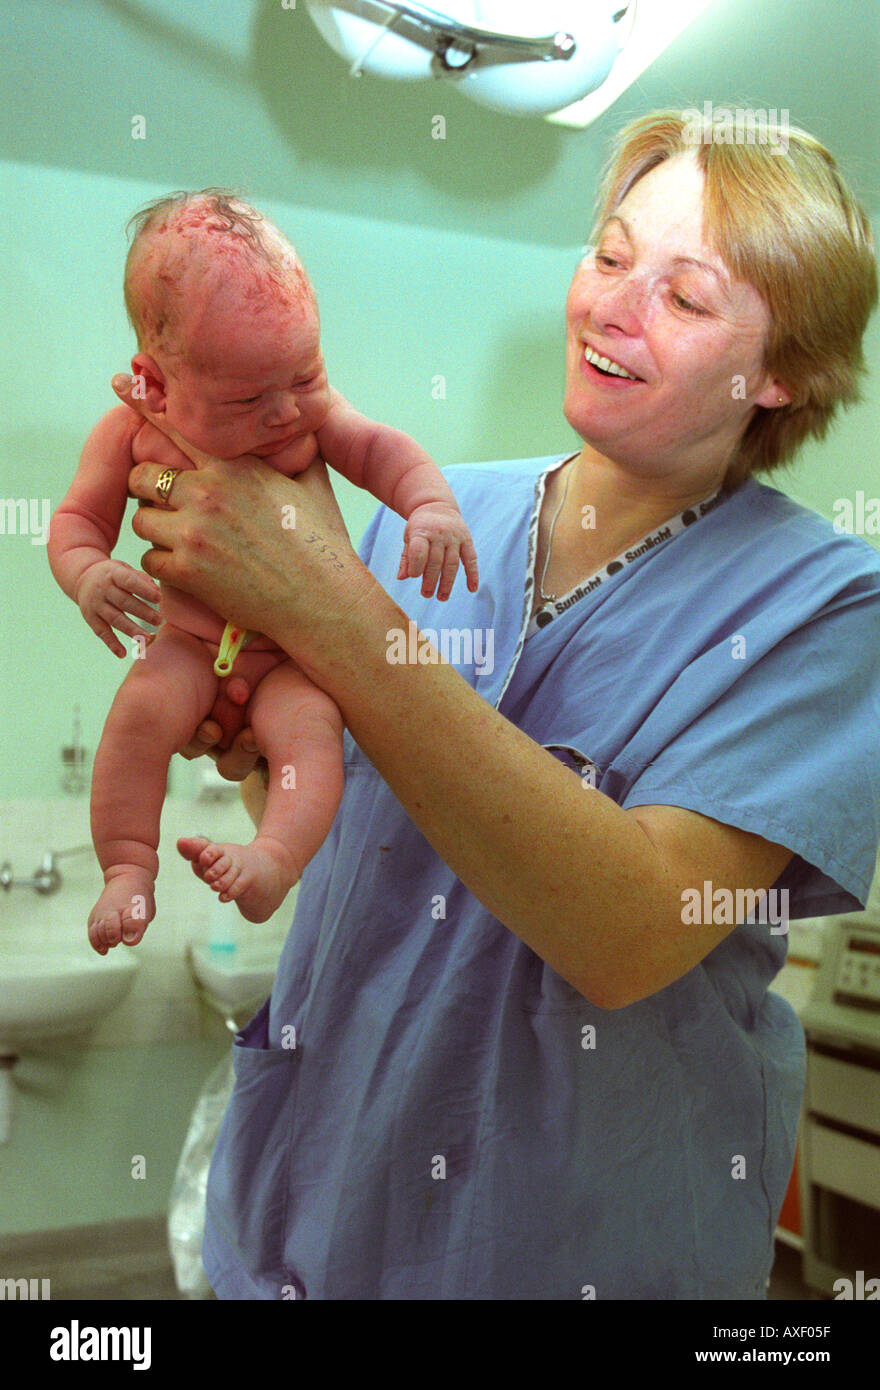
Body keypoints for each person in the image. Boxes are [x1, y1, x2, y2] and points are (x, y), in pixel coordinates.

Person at [114, 110, 878, 1299]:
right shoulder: (431, 509)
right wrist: (250, 743)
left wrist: (323, 607)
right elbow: (350, 831)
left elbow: (625, 932)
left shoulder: (827, 605)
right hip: (315, 1204)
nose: (613, 307)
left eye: (684, 297)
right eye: (612, 256)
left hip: (569, 1240)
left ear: (778, 372)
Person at [48, 191, 478, 952]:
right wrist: (86, 574)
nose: (287, 413)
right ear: (155, 381)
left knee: (309, 734)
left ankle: (274, 860)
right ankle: (127, 867)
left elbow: (383, 450)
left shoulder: (310, 416)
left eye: (306, 377)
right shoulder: (127, 432)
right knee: (140, 720)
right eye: (247, 397)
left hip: (290, 660)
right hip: (184, 645)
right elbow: (78, 522)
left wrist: (432, 507)